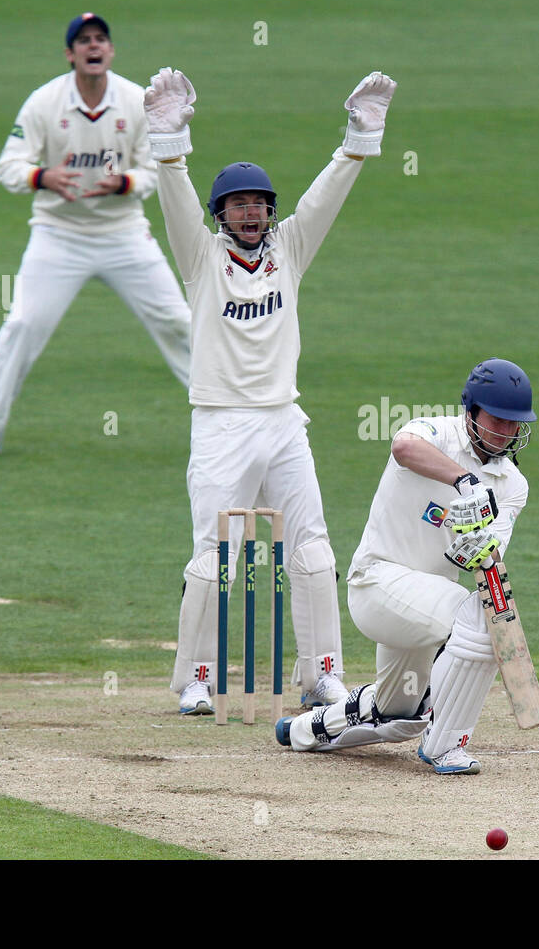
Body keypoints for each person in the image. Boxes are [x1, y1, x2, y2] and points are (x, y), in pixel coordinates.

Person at [143, 66, 397, 713]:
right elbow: (172, 200)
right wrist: (168, 140)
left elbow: (324, 199)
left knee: (311, 548)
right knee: (215, 556)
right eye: (239, 205)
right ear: (221, 213)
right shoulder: (200, 259)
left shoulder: (290, 250)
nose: (251, 213)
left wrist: (357, 140)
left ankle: (322, 674)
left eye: (259, 203)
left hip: (284, 420)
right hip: (222, 423)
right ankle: (196, 678)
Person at [274, 359, 536, 775]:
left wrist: (477, 543)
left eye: (514, 424)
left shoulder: (512, 486)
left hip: (426, 604)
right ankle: (445, 745)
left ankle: (304, 729)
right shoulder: (435, 433)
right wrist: (464, 482)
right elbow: (403, 447)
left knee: (399, 713)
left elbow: (486, 558)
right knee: (477, 620)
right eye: (498, 419)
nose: (506, 432)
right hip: (377, 584)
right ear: (471, 410)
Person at [0, 13, 192, 458]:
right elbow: (8, 166)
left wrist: (122, 184)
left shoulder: (134, 101)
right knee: (21, 325)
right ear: (70, 55)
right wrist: (44, 178)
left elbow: (156, 171)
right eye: (83, 41)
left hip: (123, 233)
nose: (93, 46)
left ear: (110, 50)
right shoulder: (44, 103)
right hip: (58, 235)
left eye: (100, 39)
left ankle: (226, 420)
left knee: (180, 323)